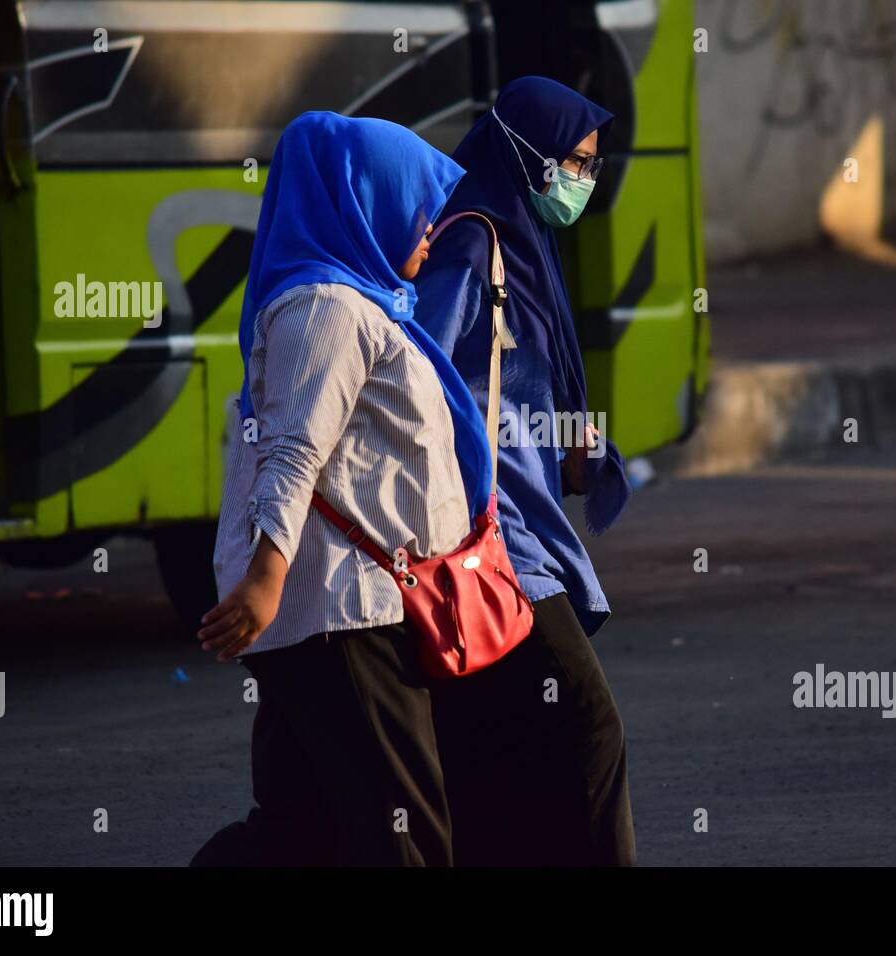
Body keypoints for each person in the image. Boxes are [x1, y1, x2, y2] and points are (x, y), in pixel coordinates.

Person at [190, 111, 495, 867]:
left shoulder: (366, 303)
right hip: (346, 615)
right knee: (406, 837)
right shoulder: (325, 308)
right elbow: (293, 450)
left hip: (345, 611)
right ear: (368, 199)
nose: (431, 226)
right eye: (417, 205)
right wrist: (266, 579)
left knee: (300, 833)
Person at [413, 76, 636, 866]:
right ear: (524, 149)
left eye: (592, 166)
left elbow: (540, 383)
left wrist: (580, 448)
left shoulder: (526, 246)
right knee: (589, 727)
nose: (582, 178)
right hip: (496, 542)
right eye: (573, 161)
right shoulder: (471, 244)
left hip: (527, 521)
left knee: (496, 756)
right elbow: (422, 379)